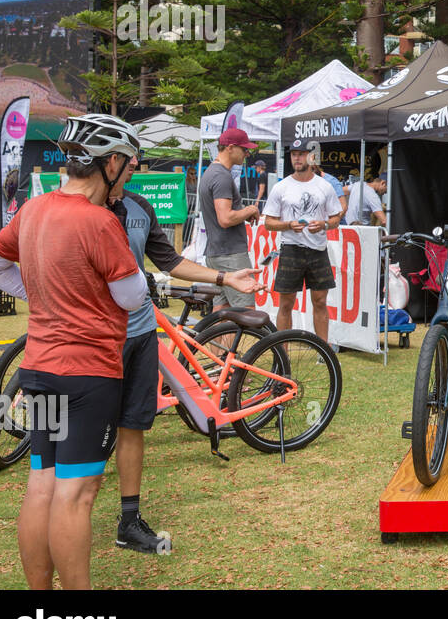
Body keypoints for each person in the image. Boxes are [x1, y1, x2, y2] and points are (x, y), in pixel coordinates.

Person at [0, 113, 148, 590]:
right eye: (129, 166)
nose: (129, 175)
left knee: (42, 486)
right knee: (76, 494)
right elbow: (133, 298)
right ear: (110, 162)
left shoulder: (33, 209)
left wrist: (42, 293)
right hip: (88, 374)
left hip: (39, 368)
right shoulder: (99, 222)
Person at [106, 154, 263, 554]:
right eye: (127, 160)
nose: (132, 166)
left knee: (132, 426)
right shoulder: (76, 209)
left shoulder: (140, 206)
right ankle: (70, 517)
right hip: (96, 337)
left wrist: (225, 277)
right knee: (89, 436)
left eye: (135, 162)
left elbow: (170, 260)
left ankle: (129, 520)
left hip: (137, 333)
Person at [264, 138, 342, 340]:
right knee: (286, 303)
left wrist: (324, 225)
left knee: (320, 301)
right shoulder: (281, 187)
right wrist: (288, 225)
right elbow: (268, 223)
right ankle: (283, 356)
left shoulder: (324, 186)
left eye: (301, 154)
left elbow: (336, 217)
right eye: (293, 154)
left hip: (318, 249)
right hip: (291, 248)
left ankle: (324, 351)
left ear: (311, 156)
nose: (296, 158)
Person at [197, 128, 262, 309]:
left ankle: (218, 340)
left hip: (216, 252)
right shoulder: (221, 176)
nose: (247, 154)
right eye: (244, 149)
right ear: (231, 148)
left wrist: (242, 214)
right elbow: (225, 218)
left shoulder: (211, 172)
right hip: (231, 254)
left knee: (222, 314)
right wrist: (249, 209)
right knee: (247, 315)